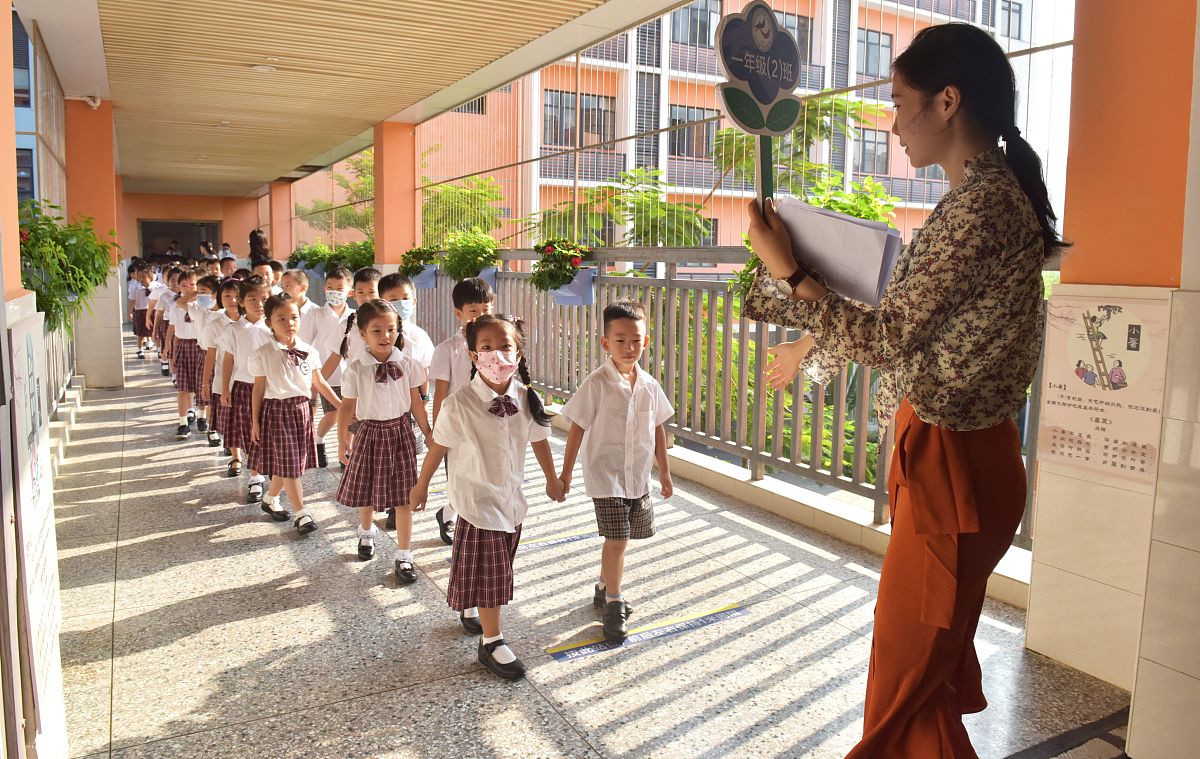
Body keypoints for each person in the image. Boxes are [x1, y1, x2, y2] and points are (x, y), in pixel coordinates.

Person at [741, 24, 1068, 758]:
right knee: (924, 687)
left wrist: (790, 272)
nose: (893, 121)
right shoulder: (983, 201)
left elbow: (886, 339)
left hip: (953, 472)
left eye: (899, 101)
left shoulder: (979, 208)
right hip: (959, 465)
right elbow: (906, 326)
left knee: (903, 687)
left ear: (946, 101)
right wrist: (796, 299)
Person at [409, 314, 565, 680]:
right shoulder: (459, 404)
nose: (497, 356)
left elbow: (539, 440)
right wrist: (421, 485)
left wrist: (552, 478)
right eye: (487, 348)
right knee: (493, 573)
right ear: (473, 355)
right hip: (478, 500)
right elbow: (438, 448)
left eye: (505, 347)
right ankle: (491, 641)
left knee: (493, 565)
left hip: (512, 500)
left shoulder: (528, 398)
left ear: (520, 352)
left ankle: (471, 609)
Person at [559, 301, 674, 643]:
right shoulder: (597, 384)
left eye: (636, 340)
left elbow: (658, 429)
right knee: (618, 538)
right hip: (605, 474)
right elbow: (577, 427)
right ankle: (613, 601)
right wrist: (565, 475)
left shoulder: (650, 385)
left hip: (637, 477)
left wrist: (664, 473)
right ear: (606, 343)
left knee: (622, 538)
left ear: (646, 341)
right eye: (621, 340)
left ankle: (603, 584)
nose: (629, 347)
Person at [335, 300, 431, 580]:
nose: (385, 336)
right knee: (367, 492)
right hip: (369, 434)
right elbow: (346, 407)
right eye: (376, 331)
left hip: (400, 433)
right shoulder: (355, 369)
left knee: (404, 497)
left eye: (391, 329)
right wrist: (343, 439)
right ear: (362, 334)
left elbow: (416, 402)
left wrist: (427, 432)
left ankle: (404, 555)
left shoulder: (409, 364)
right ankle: (366, 533)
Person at [248, 293, 340, 534]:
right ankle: (302, 513)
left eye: (293, 317)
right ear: (269, 322)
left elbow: (319, 382)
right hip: (276, 411)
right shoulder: (263, 353)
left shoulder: (309, 350)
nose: (289, 323)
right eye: (281, 319)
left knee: (290, 463)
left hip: (302, 410)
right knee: (290, 465)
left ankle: (270, 499)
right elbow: (258, 389)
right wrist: (255, 421)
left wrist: (341, 406)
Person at [428, 277, 495, 544]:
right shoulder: (447, 349)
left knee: (482, 474)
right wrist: (436, 428)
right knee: (458, 476)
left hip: (488, 422)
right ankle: (452, 515)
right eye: (473, 311)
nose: (480, 316)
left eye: (485, 310)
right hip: (456, 424)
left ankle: (453, 513)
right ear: (459, 313)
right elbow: (441, 393)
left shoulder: (497, 344)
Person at [378, 272, 435, 528]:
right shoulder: (374, 333)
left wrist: (424, 399)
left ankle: (399, 503)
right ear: (381, 300)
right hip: (382, 409)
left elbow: (424, 371)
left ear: (414, 301)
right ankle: (388, 499)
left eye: (405, 298)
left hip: (410, 408)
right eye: (393, 298)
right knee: (385, 458)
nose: (400, 303)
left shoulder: (420, 336)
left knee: (408, 456)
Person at [217, 276, 275, 498]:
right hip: (243, 386)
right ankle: (255, 477)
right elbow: (228, 360)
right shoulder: (234, 329)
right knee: (251, 434)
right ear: (241, 301)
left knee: (267, 431)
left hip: (270, 388)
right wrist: (224, 388)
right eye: (252, 299)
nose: (259, 304)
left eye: (264, 298)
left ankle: (268, 472)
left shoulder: (272, 327)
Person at [299, 264, 353, 468]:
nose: (334, 292)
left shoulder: (355, 316)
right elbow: (303, 344)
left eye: (340, 289)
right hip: (325, 376)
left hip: (350, 376)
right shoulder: (315, 315)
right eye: (330, 287)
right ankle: (319, 438)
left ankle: (347, 453)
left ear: (350, 291)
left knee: (350, 417)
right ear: (324, 289)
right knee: (333, 415)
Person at [165, 270, 210, 440]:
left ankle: (202, 417)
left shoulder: (204, 306)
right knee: (183, 388)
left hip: (201, 347)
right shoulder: (176, 306)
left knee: (202, 385)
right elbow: (176, 331)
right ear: (178, 286)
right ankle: (183, 423)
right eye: (184, 285)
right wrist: (173, 353)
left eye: (192, 284)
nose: (188, 288)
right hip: (183, 346)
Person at [197, 278, 242, 449]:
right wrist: (204, 383)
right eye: (227, 296)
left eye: (237, 296)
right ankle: (235, 454)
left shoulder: (250, 321)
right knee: (230, 419)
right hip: (224, 378)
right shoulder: (215, 324)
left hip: (249, 377)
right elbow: (210, 355)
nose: (233, 301)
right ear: (220, 299)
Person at [128, 264, 155, 359]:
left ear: (150, 277)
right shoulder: (135, 287)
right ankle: (140, 350)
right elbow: (132, 300)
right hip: (140, 311)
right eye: (139, 277)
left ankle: (159, 349)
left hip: (152, 311)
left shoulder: (156, 286)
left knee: (155, 332)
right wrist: (130, 312)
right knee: (140, 334)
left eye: (144, 277)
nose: (141, 279)